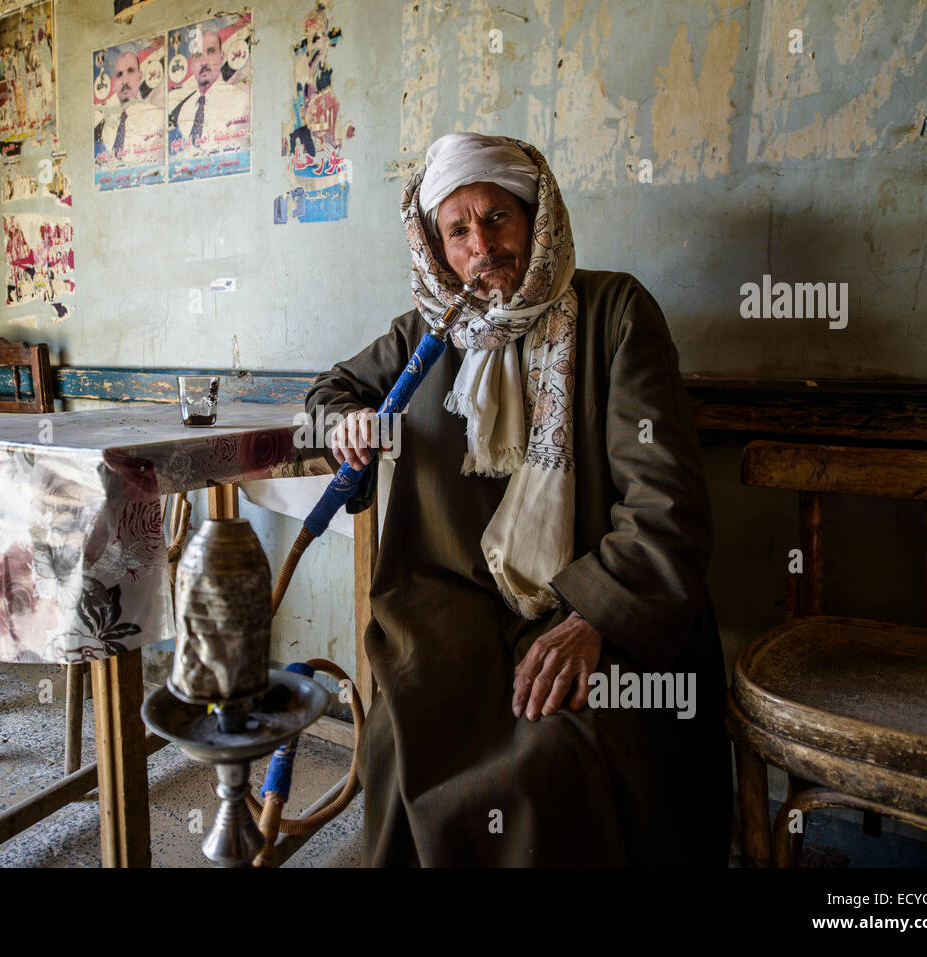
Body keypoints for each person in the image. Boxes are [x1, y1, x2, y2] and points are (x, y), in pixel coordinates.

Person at [305, 132, 732, 866]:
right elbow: (326, 396)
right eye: (458, 230)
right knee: (408, 728)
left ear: (538, 219)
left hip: (592, 615)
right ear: (437, 249)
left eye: (498, 218)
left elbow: (667, 503)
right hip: (448, 618)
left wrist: (595, 615)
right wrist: (342, 421)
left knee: (556, 753)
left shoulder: (616, 313)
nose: (482, 246)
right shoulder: (423, 333)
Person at [168, 29, 249, 154]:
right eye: (197, 55)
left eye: (211, 52)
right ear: (192, 64)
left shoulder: (242, 101)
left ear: (221, 57)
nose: (204, 62)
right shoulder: (180, 109)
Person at [96, 47, 162, 168]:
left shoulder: (157, 117)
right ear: (114, 83)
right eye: (119, 74)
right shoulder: (103, 127)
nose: (125, 80)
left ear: (140, 76)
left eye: (130, 71)